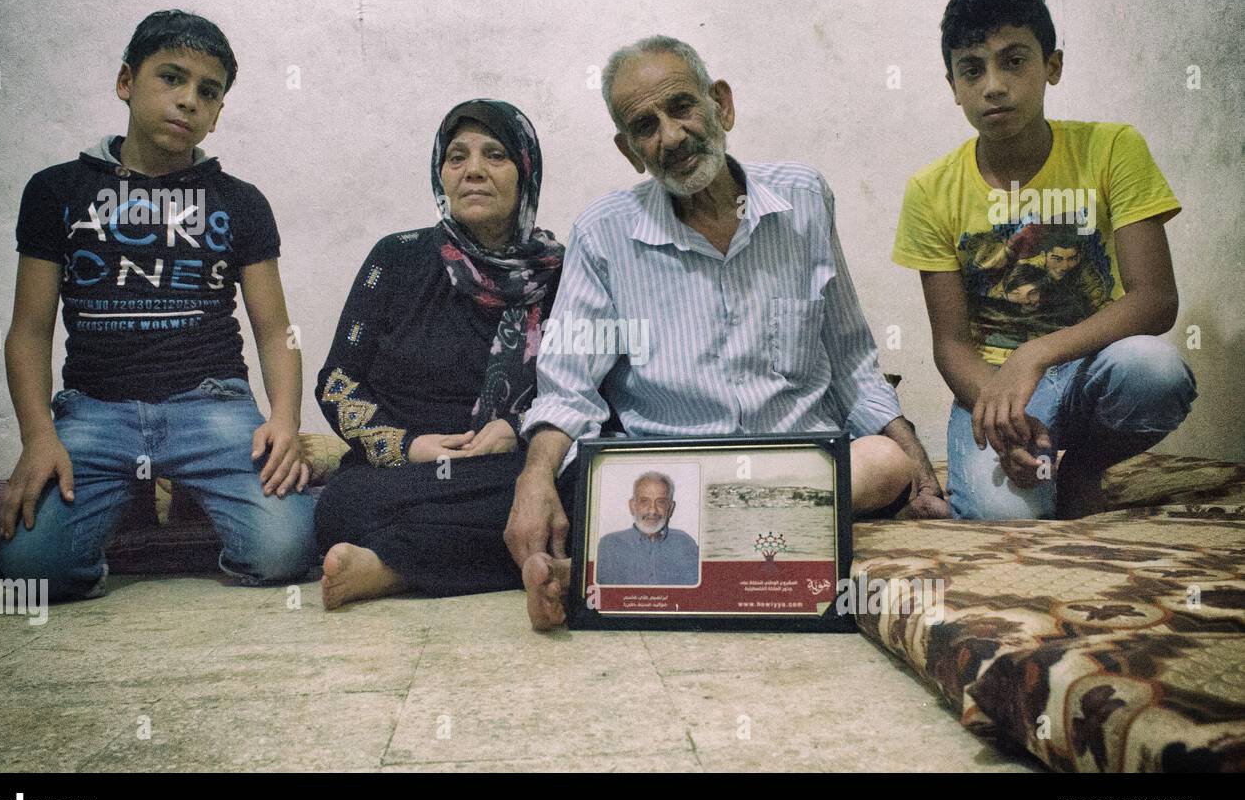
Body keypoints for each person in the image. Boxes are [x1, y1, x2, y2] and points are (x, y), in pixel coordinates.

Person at [506, 35, 949, 631]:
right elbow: (567, 388)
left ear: (722, 105)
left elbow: (849, 356)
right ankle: (743, 548)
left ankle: (631, 569)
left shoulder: (803, 199)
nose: (671, 137)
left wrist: (916, 456)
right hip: (676, 475)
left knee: (883, 460)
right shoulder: (603, 233)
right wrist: (534, 479)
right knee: (590, 481)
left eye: (682, 108)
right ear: (629, 150)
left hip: (796, 464)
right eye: (644, 126)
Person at [0, 10, 315, 599]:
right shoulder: (57, 191)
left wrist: (285, 422)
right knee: (31, 569)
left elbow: (277, 332)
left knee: (284, 549)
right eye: (171, 78)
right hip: (95, 411)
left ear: (218, 113)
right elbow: (29, 330)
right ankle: (132, 498)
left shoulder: (239, 201)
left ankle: (194, 493)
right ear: (126, 82)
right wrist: (39, 435)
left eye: (207, 91)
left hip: (212, 406)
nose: (188, 100)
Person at [892, 0, 1196, 521]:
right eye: (972, 69)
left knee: (1157, 372)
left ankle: (1080, 463)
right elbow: (952, 344)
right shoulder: (931, 190)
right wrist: (1005, 415)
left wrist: (1034, 355)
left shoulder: (1112, 148)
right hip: (992, 385)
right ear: (953, 86)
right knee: (1004, 519)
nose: (993, 85)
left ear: (1051, 66)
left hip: (1091, 368)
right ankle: (1038, 459)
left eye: (1014, 60)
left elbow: (1156, 300)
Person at [313, 99, 563, 609]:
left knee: (573, 492)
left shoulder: (560, 274)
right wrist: (407, 446)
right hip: (405, 472)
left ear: (526, 172)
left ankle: (389, 569)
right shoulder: (397, 257)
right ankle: (489, 558)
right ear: (440, 174)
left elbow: (592, 389)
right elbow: (338, 381)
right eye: (456, 157)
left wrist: (518, 429)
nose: (473, 170)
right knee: (340, 505)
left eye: (495, 155)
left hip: (506, 469)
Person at [596, 471, 699, 586]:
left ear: (670, 508)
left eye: (661, 502)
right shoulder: (610, 545)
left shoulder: (685, 543)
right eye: (644, 501)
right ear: (632, 506)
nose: (652, 510)